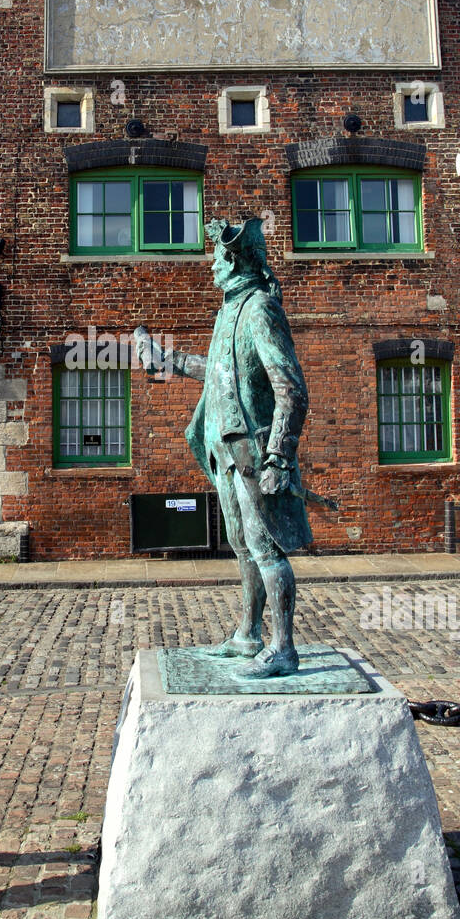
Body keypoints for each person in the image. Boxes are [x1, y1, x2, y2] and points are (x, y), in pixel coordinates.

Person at [136, 216, 312, 677]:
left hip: (254, 454)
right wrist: (166, 360)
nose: (211, 265)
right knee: (240, 544)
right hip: (223, 450)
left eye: (216, 256)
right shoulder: (228, 311)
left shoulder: (259, 310)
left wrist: (280, 455)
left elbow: (291, 389)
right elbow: (216, 372)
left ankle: (283, 647)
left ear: (233, 260)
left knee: (265, 546)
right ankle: (248, 633)